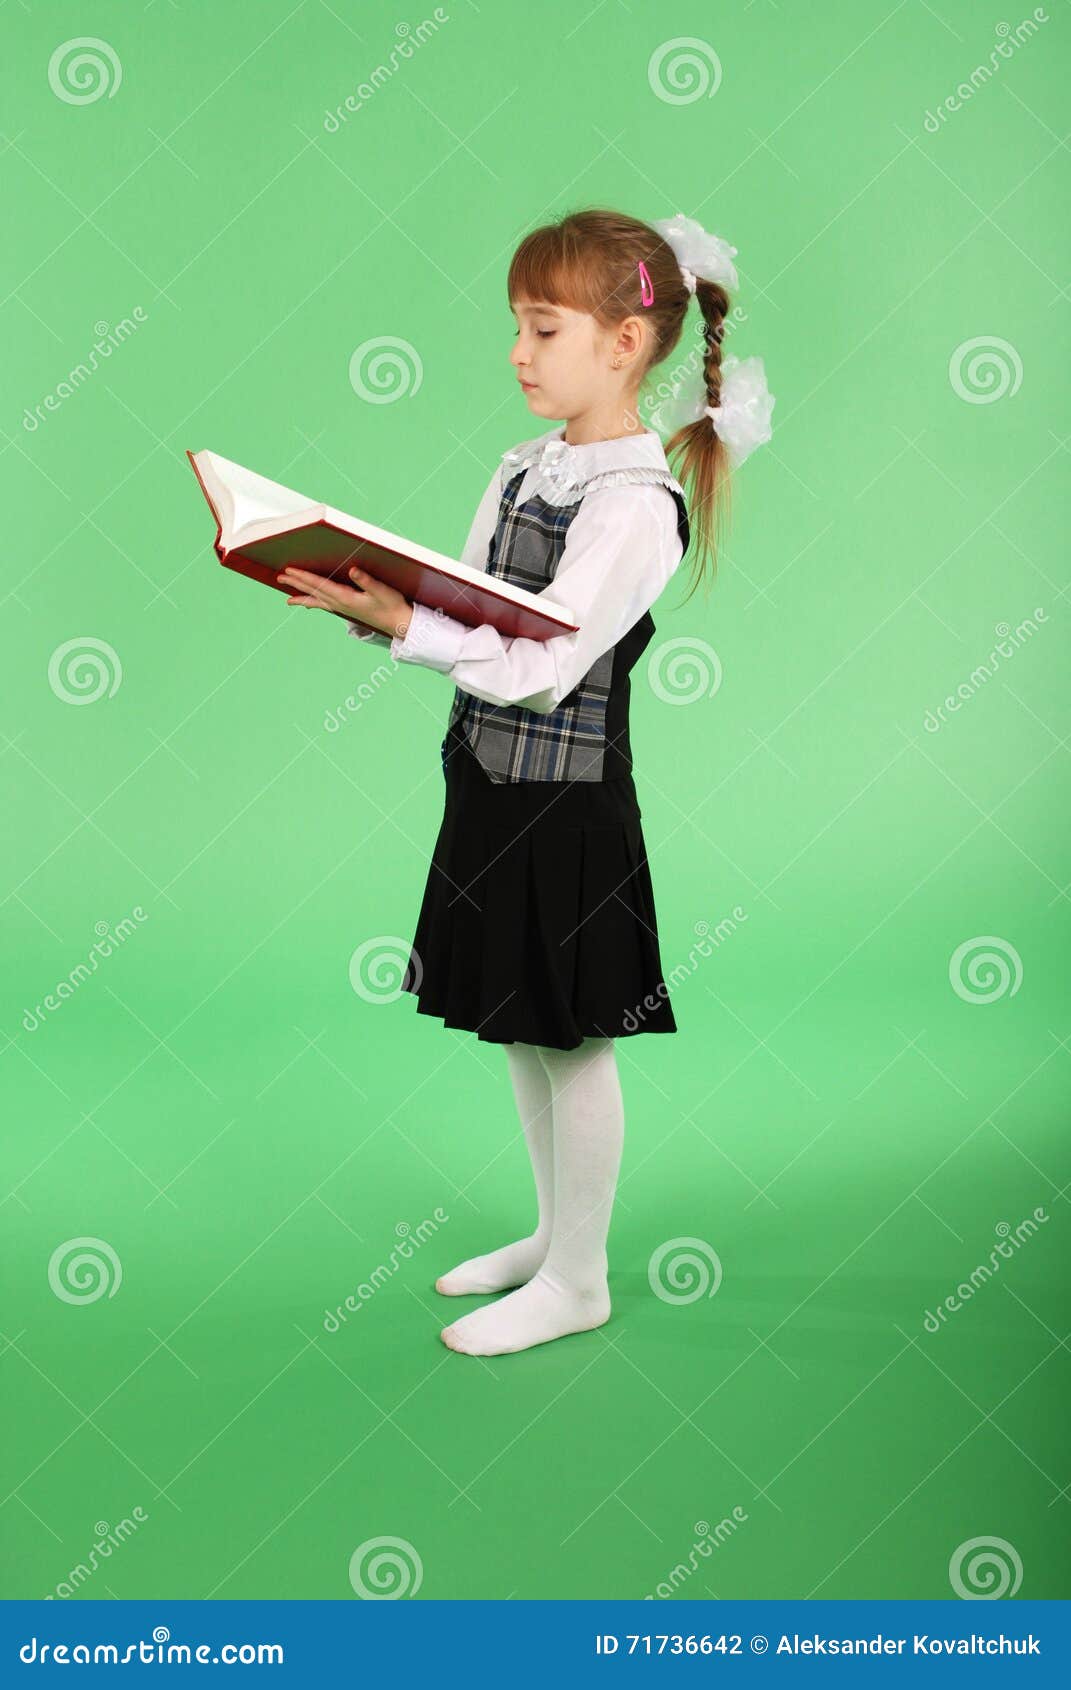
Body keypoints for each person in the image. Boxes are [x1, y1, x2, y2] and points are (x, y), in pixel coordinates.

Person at [279, 208, 773, 1357]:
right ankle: (554, 1236)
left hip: (568, 803)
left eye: (542, 329)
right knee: (517, 1021)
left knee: (572, 1034)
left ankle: (581, 1277)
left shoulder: (635, 505)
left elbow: (549, 673)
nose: (516, 350)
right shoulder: (524, 465)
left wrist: (409, 626)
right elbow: (470, 602)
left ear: (623, 346)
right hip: (488, 782)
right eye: (515, 325)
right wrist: (385, 602)